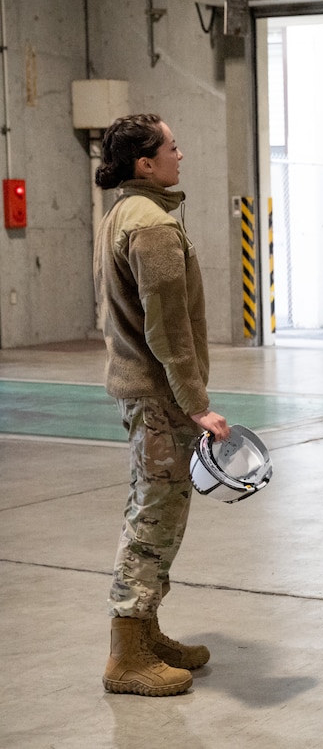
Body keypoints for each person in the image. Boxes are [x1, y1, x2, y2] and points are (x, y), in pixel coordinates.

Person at [94, 113, 231, 696]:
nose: (182, 154)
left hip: (149, 393)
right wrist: (197, 404)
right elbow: (168, 330)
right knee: (153, 519)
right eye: (173, 147)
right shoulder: (151, 225)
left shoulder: (125, 212)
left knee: (159, 512)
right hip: (160, 399)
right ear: (145, 163)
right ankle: (126, 654)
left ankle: (146, 632)